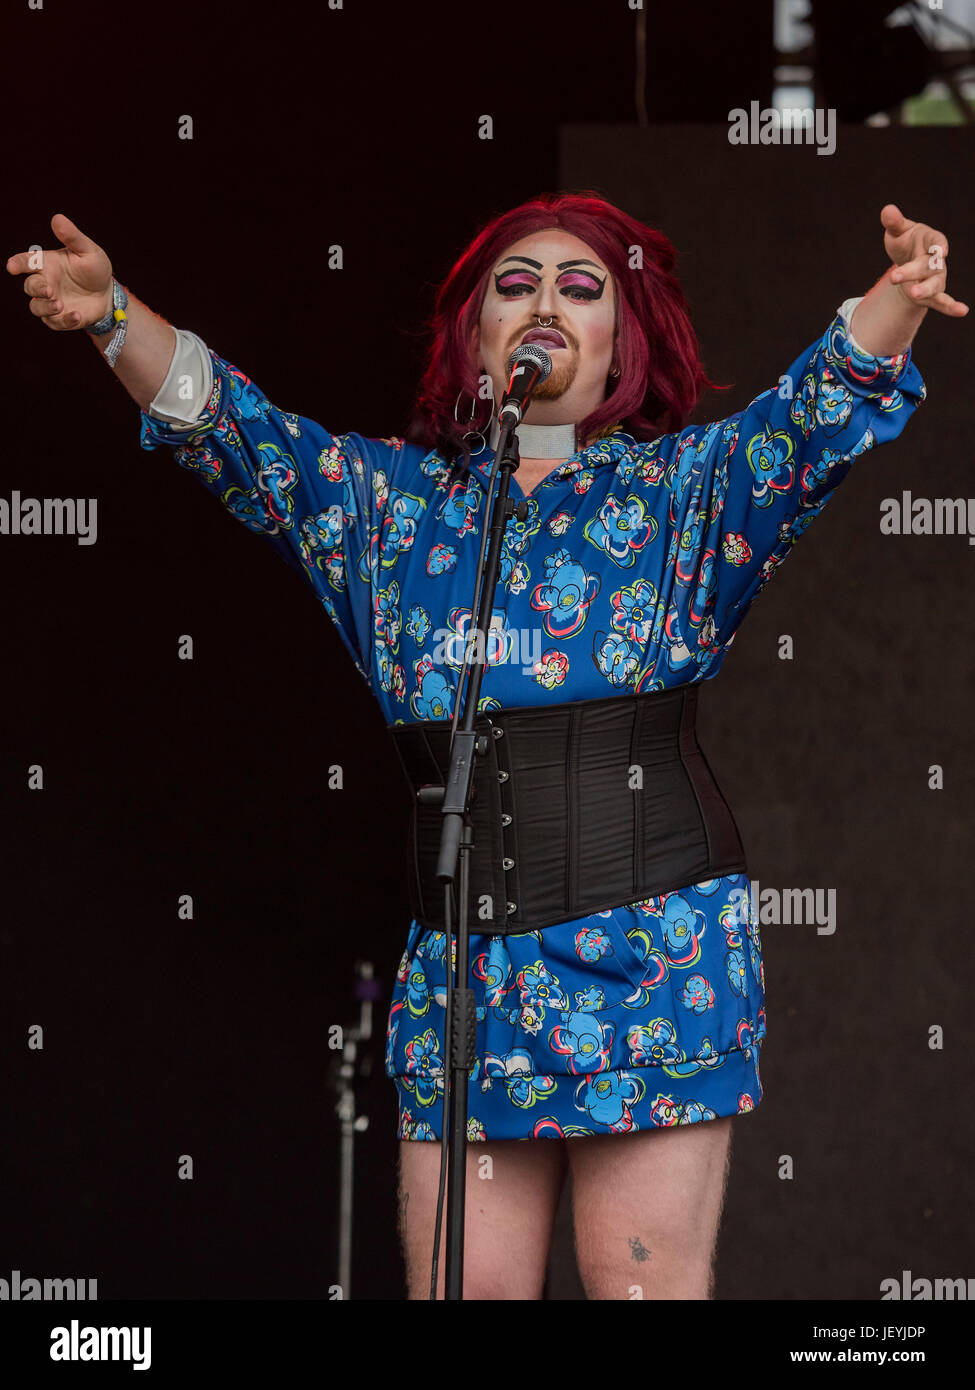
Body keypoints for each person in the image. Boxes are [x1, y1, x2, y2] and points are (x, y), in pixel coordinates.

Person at [7, 194, 964, 1302]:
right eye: (515, 285)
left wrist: (895, 302)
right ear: (473, 339)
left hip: (650, 959)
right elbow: (234, 429)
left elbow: (812, 414)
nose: (545, 302)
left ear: (623, 340)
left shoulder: (684, 496)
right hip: (464, 978)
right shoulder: (390, 510)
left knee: (639, 1291)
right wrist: (110, 314)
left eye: (579, 286)